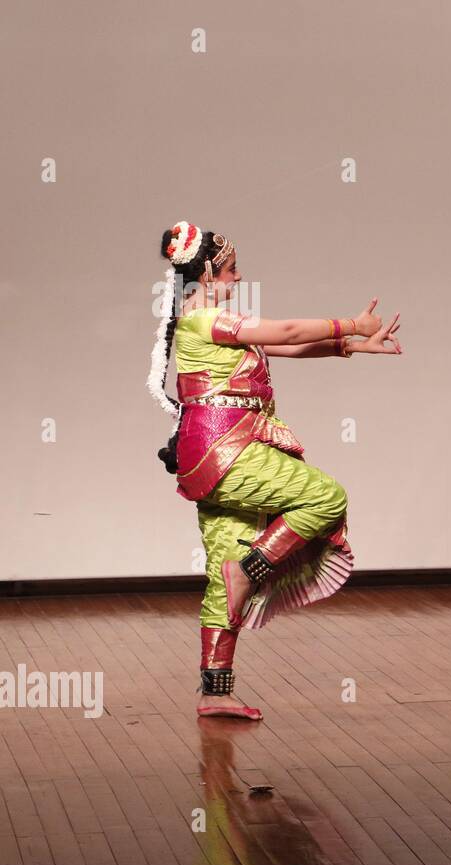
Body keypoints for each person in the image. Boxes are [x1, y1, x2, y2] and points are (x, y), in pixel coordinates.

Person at [147, 220, 402, 718]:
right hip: (228, 449)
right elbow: (283, 330)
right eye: (232, 270)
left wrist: (348, 346)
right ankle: (251, 568)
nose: (238, 278)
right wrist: (348, 323)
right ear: (206, 271)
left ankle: (215, 694)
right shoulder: (203, 319)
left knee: (222, 578)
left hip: (210, 456)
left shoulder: (213, 322)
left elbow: (283, 345)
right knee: (326, 498)